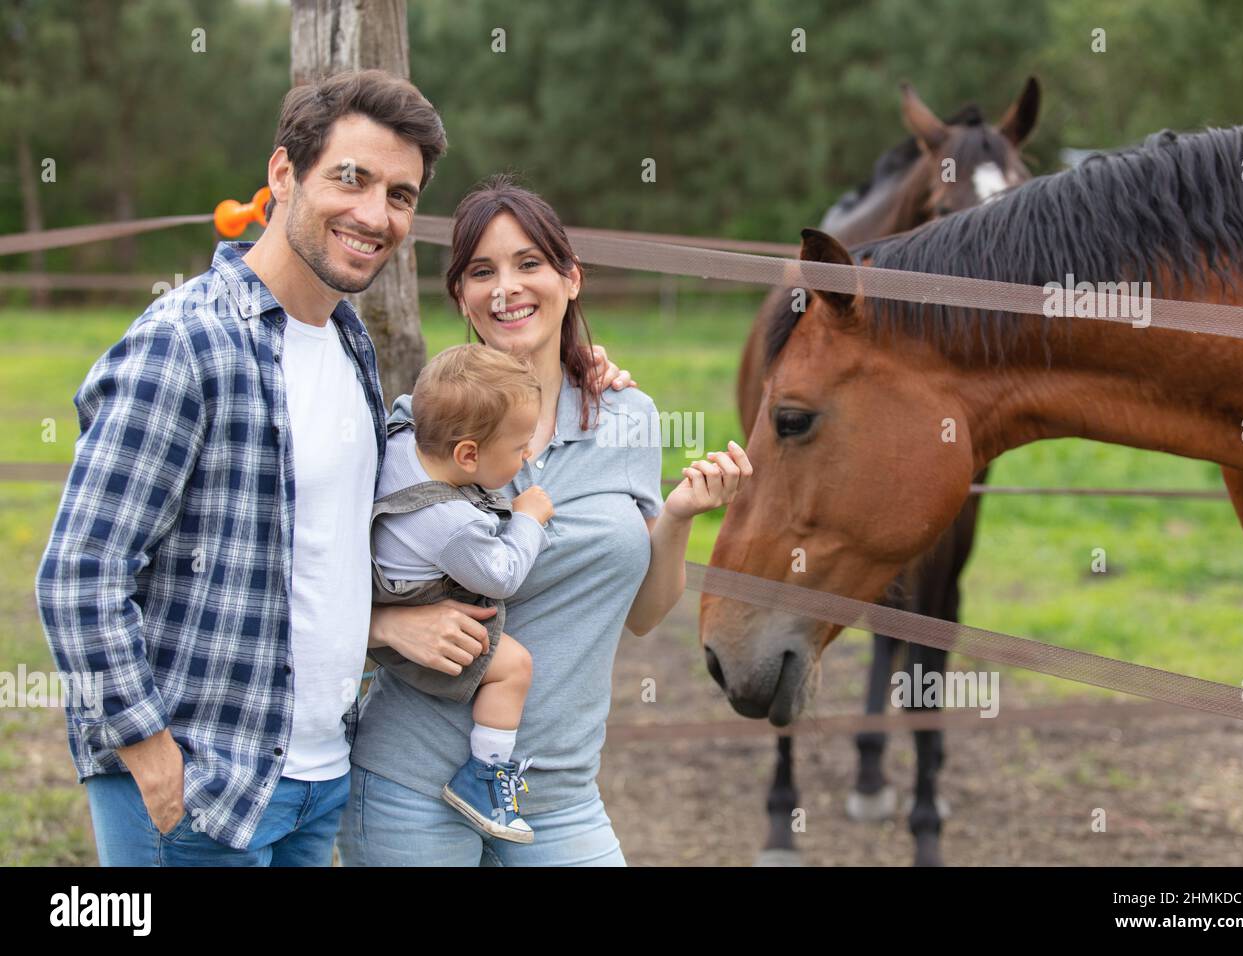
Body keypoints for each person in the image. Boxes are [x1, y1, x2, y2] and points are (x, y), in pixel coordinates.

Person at [33, 69, 633, 866]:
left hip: (318, 784)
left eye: (400, 195)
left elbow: (330, 551)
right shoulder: (185, 343)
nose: (375, 214)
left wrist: (574, 365)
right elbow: (80, 573)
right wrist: (144, 744)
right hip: (202, 785)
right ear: (283, 174)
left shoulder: (350, 345)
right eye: (351, 178)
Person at [338, 175, 753, 867]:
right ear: (461, 297)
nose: (506, 288)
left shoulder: (629, 419)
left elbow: (644, 615)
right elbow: (328, 572)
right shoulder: (419, 431)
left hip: (559, 794)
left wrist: (679, 516)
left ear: (571, 278)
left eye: (528, 263)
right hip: (409, 782)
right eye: (482, 271)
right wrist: (384, 626)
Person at [368, 344, 557, 841]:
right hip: (422, 619)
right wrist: (528, 519)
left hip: (387, 590)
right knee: (514, 667)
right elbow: (502, 575)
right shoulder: (454, 525)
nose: (526, 455)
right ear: (468, 455)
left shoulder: (401, 437)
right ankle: (484, 777)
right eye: (518, 449)